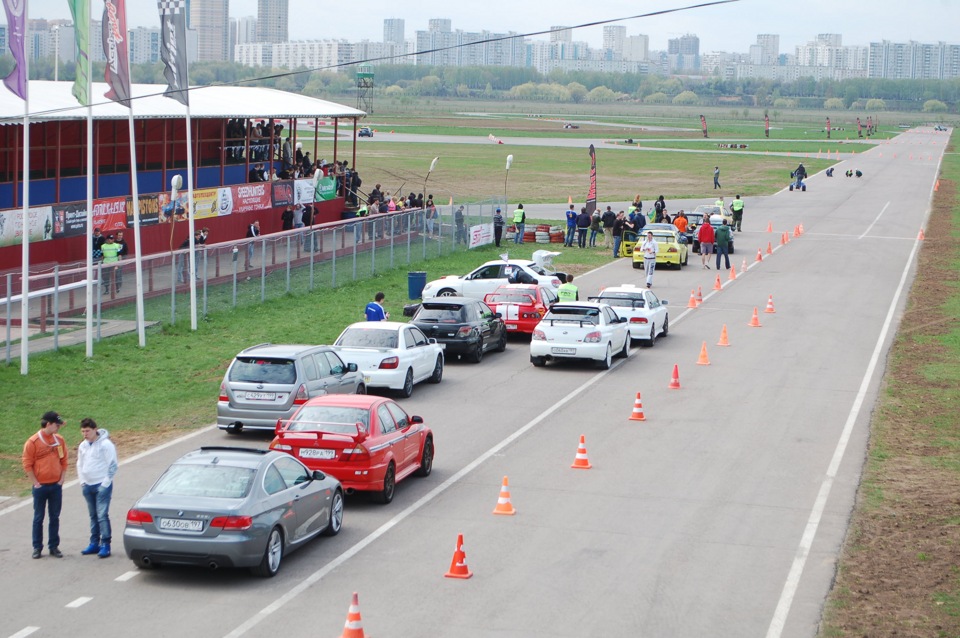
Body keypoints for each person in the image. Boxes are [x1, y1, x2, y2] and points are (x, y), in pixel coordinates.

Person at [23, 411, 68, 559]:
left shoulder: (59, 440)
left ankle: (54, 546)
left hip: (56, 486)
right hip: (40, 487)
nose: (58, 428)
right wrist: (35, 483)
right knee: (38, 517)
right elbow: (27, 464)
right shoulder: (33, 442)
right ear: (48, 424)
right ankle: (37, 547)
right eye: (57, 425)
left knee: (54, 517)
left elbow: (64, 460)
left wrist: (61, 480)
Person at [77, 418, 117, 558]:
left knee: (102, 515)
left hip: (101, 485)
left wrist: (105, 484)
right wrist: (82, 482)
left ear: (95, 429)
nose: (85, 434)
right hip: (88, 485)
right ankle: (94, 542)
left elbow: (112, 465)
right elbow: (79, 464)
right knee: (93, 515)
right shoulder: (83, 445)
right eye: (83, 431)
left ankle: (105, 543)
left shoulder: (106, 444)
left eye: (87, 431)